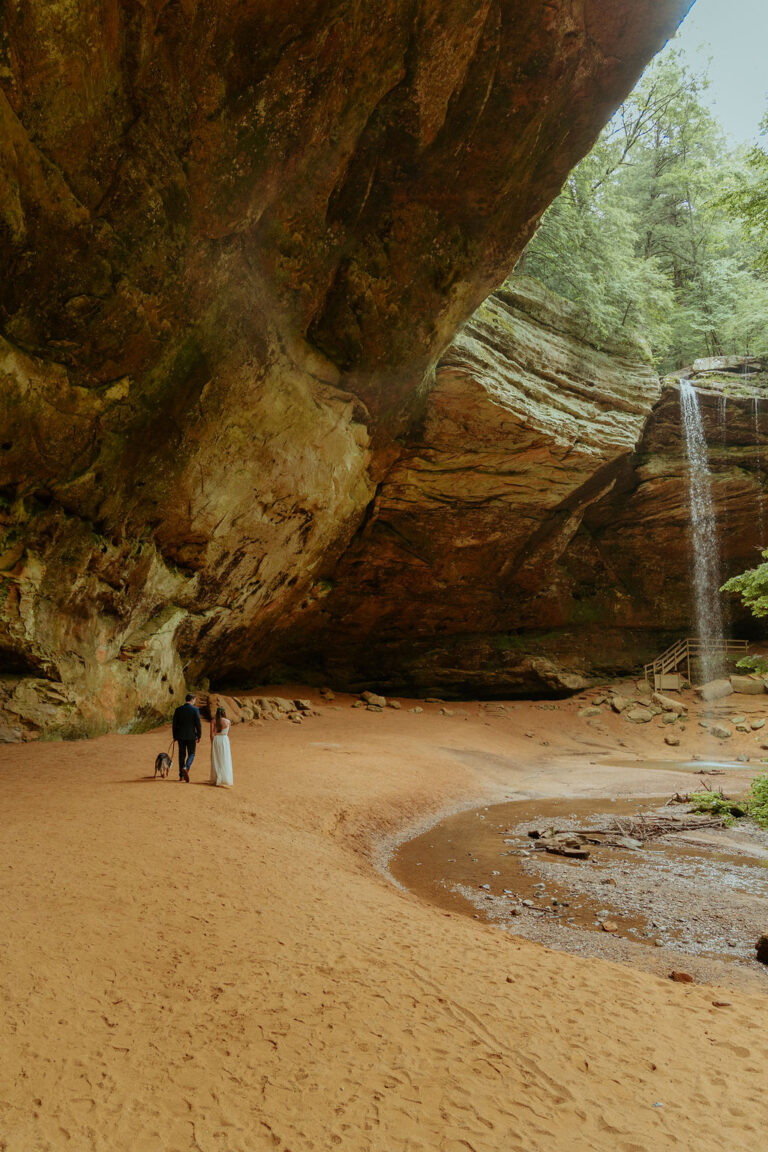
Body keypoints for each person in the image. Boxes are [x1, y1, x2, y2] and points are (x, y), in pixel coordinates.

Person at [172, 693, 201, 782]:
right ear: (192, 699)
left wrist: (175, 736)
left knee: (181, 755)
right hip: (191, 736)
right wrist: (199, 735)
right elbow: (198, 724)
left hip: (180, 736)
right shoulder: (195, 709)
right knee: (191, 753)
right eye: (195, 700)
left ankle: (181, 776)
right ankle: (186, 767)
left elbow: (174, 724)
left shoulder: (178, 710)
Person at [209, 705, 234, 788]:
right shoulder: (228, 721)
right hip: (224, 740)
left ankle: (217, 777)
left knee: (216, 758)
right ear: (224, 712)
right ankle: (224, 777)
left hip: (216, 740)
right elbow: (228, 732)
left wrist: (212, 743)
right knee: (225, 758)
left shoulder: (213, 721)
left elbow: (211, 734)